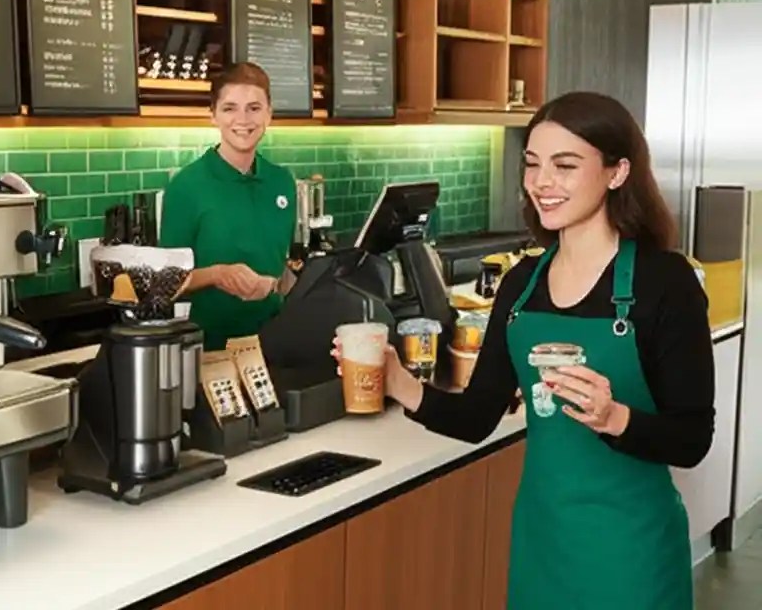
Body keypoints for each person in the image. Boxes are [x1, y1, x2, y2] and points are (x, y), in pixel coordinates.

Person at [334, 91, 714, 609]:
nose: (541, 182)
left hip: (631, 553)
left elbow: (692, 439)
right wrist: (399, 381)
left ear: (617, 172)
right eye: (533, 164)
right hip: (543, 544)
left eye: (565, 165)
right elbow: (478, 417)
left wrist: (614, 418)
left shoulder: (664, 282)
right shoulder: (521, 283)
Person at [159, 62, 297, 351]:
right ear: (214, 115)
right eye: (230, 108)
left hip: (277, 343)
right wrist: (217, 274)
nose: (243, 119)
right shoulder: (186, 186)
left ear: (269, 114)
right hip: (211, 350)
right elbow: (167, 282)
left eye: (254, 108)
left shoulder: (282, 182)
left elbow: (280, 266)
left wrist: (285, 282)